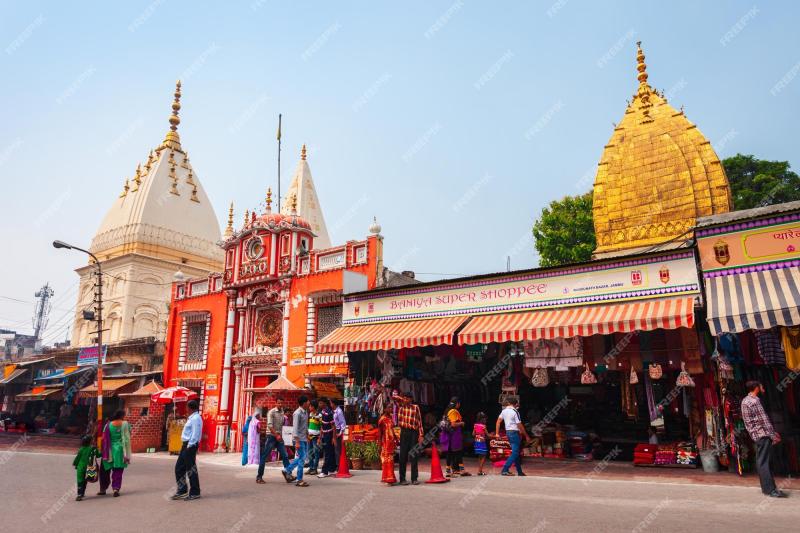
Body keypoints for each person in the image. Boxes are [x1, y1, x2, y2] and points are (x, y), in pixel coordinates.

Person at [741, 381, 786, 498]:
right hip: (763, 434)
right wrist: (773, 434)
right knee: (764, 462)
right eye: (761, 386)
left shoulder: (745, 400)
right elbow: (763, 420)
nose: (763, 388)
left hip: (757, 435)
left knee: (762, 461)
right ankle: (771, 490)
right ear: (756, 388)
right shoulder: (754, 401)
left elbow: (748, 422)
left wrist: (754, 434)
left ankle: (766, 488)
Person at [172, 399, 202, 500]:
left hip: (190, 445)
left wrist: (190, 446)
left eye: (186, 407)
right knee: (179, 468)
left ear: (190, 408)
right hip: (186, 445)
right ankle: (182, 490)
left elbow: (196, 433)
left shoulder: (196, 418)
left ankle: (195, 492)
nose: (186, 409)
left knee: (191, 469)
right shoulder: (192, 418)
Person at [257, 399, 291, 483]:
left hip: (279, 437)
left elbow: (282, 425)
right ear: (276, 403)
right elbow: (269, 425)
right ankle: (259, 477)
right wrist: (276, 435)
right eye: (278, 403)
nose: (280, 404)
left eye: (281, 403)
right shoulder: (271, 412)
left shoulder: (282, 412)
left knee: (285, 455)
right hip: (271, 436)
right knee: (265, 456)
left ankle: (288, 475)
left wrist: (281, 436)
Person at [99, 409, 132, 497]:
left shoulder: (108, 425)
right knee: (118, 471)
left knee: (104, 470)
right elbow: (128, 436)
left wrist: (102, 449)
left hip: (108, 451)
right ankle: (116, 488)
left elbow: (103, 438)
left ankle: (103, 489)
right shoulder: (126, 425)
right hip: (121, 451)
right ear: (122, 416)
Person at [496, 397, 528, 477]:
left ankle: (519, 471)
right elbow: (519, 424)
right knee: (515, 452)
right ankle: (505, 470)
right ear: (515, 404)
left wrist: (497, 433)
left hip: (508, 432)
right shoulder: (515, 412)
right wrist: (526, 435)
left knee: (515, 452)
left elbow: (498, 422)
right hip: (514, 432)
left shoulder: (504, 411)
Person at [283, 395, 310, 487]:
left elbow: (304, 426)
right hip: (298, 439)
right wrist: (297, 442)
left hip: (304, 438)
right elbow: (295, 429)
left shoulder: (305, 412)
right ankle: (299, 479)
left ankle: (287, 470)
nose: (309, 403)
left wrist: (307, 435)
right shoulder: (297, 413)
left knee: (301, 458)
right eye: (308, 401)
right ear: (304, 403)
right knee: (302, 459)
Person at [397, 392, 423, 485]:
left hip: (413, 433)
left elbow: (419, 422)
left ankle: (414, 478)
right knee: (402, 456)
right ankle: (402, 479)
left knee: (414, 455)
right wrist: (401, 399)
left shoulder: (416, 407)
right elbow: (393, 397)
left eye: (407, 398)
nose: (406, 400)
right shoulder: (401, 407)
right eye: (404, 398)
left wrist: (421, 435)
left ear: (411, 399)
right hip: (404, 432)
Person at [441, 397, 470, 477]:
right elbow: (453, 424)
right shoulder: (453, 411)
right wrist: (461, 423)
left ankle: (451, 471)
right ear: (457, 403)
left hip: (449, 434)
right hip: (454, 435)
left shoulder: (447, 410)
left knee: (450, 452)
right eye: (459, 403)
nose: (459, 405)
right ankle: (459, 470)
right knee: (457, 452)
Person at [73, 434, 98, 501]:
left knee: (80, 480)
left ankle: (79, 494)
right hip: (90, 467)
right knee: (86, 479)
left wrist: (75, 464)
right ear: (90, 441)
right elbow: (98, 455)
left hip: (80, 467)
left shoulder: (81, 449)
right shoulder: (93, 449)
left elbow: (77, 458)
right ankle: (83, 492)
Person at [378, 403, 398, 485]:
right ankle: (388, 478)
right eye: (389, 408)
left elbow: (392, 429)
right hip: (385, 443)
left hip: (391, 442)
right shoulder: (382, 420)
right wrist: (379, 445)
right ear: (385, 409)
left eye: (391, 408)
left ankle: (390, 477)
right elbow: (380, 434)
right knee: (387, 461)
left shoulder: (391, 418)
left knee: (391, 461)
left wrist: (396, 439)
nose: (391, 409)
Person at [318, 398, 336, 478]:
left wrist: (333, 438)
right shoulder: (322, 412)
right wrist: (320, 437)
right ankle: (331, 469)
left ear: (325, 403)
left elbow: (333, 426)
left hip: (329, 434)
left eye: (321, 403)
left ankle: (324, 471)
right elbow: (322, 426)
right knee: (329, 452)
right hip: (325, 435)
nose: (319, 405)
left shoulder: (329, 413)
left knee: (328, 453)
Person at [306, 399, 322, 476]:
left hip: (316, 437)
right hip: (310, 436)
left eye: (310, 406)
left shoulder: (319, 415)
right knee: (309, 453)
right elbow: (309, 425)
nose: (309, 407)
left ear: (313, 407)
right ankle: (311, 467)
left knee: (316, 453)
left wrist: (319, 438)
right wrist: (307, 435)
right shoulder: (310, 414)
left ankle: (315, 469)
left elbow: (321, 427)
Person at [333, 399, 347, 469]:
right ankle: (337, 464)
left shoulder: (339, 411)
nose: (330, 405)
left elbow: (343, 422)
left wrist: (340, 432)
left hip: (338, 430)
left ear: (334, 404)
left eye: (331, 403)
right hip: (335, 430)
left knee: (338, 448)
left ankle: (339, 466)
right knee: (336, 448)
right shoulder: (335, 411)